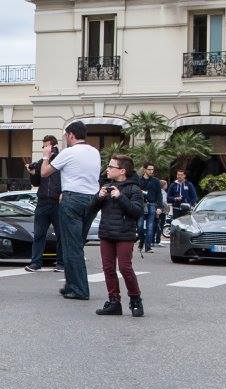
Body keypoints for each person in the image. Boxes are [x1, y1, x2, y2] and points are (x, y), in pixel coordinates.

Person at [42, 120, 101, 301]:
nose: (65, 139)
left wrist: (46, 156)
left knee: (71, 246)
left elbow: (44, 173)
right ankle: (70, 284)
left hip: (73, 199)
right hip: (92, 199)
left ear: (71, 135)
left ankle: (79, 289)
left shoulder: (69, 152)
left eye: (66, 136)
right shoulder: (95, 152)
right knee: (76, 243)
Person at [90, 154, 146, 317]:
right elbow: (91, 208)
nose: (107, 169)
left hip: (124, 234)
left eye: (111, 166)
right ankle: (114, 301)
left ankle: (135, 300)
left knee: (124, 267)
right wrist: (99, 197)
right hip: (107, 232)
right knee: (108, 268)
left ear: (122, 171)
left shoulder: (133, 189)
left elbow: (137, 212)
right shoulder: (106, 185)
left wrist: (120, 197)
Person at [25, 135, 63, 272]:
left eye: (46, 146)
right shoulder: (42, 161)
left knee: (61, 234)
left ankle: (61, 263)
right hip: (42, 202)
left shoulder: (61, 159)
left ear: (53, 146)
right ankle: (35, 262)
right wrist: (32, 172)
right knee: (39, 234)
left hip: (57, 202)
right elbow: (36, 182)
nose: (44, 148)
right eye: (43, 146)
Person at [135, 163, 164, 254]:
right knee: (139, 226)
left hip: (152, 205)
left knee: (150, 226)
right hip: (141, 204)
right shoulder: (138, 180)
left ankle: (148, 247)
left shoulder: (155, 181)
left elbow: (159, 195)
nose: (151, 171)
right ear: (144, 169)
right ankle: (142, 240)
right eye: (149, 169)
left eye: (152, 170)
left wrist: (160, 207)